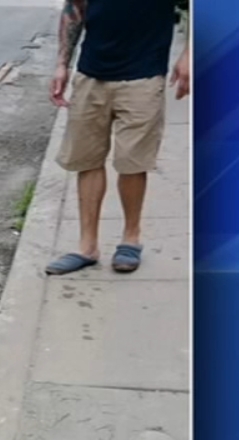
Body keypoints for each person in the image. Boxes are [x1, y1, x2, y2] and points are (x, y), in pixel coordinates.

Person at [46, 0, 190, 275]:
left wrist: (189, 53)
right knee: (87, 159)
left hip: (144, 76)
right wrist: (62, 64)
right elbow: (74, 10)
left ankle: (130, 239)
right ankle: (87, 247)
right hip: (91, 74)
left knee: (132, 163)